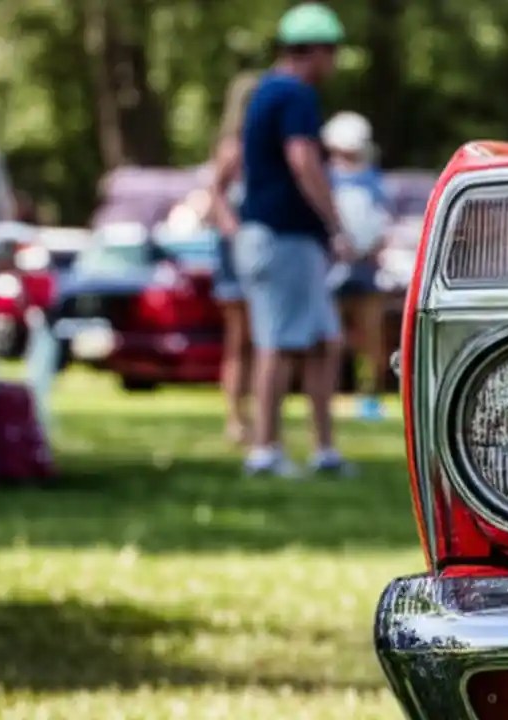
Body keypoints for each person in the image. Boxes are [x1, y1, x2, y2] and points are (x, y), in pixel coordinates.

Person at [233, 2, 354, 477]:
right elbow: (303, 159)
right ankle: (265, 450)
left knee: (324, 341)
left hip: (289, 239)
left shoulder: (266, 91)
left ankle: (325, 450)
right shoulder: (295, 95)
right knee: (279, 343)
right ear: (317, 51)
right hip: (283, 237)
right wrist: (335, 222)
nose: (334, 63)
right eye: (333, 52)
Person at [322, 111, 391, 421]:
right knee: (330, 338)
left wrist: (372, 248)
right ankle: (329, 394)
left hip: (365, 268)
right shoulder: (325, 177)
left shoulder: (372, 178)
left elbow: (381, 222)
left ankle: (370, 396)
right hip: (332, 269)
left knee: (371, 338)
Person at [208, 71, 260, 445]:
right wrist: (233, 231)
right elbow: (216, 192)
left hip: (255, 245)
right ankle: (235, 416)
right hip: (236, 249)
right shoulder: (235, 146)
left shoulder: (261, 145)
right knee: (239, 337)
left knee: (261, 339)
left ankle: (257, 415)